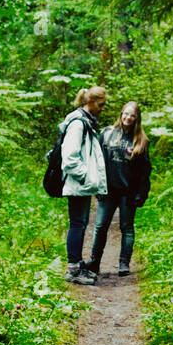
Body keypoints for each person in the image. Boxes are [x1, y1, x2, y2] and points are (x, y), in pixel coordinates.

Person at [84, 100, 151, 279]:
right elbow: (97, 160)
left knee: (127, 228)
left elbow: (145, 171)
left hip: (128, 192)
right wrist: (96, 185)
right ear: (121, 114)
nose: (128, 118)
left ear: (137, 118)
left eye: (132, 115)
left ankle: (124, 263)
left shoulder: (142, 140)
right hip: (108, 190)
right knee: (100, 226)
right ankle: (94, 262)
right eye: (126, 114)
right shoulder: (107, 133)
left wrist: (141, 193)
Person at [59, 86, 107, 284]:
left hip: (81, 184)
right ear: (90, 102)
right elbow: (69, 158)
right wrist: (86, 177)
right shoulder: (78, 124)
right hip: (78, 183)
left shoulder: (85, 121)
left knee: (80, 224)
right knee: (77, 224)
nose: (103, 108)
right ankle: (73, 271)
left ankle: (77, 267)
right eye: (101, 104)